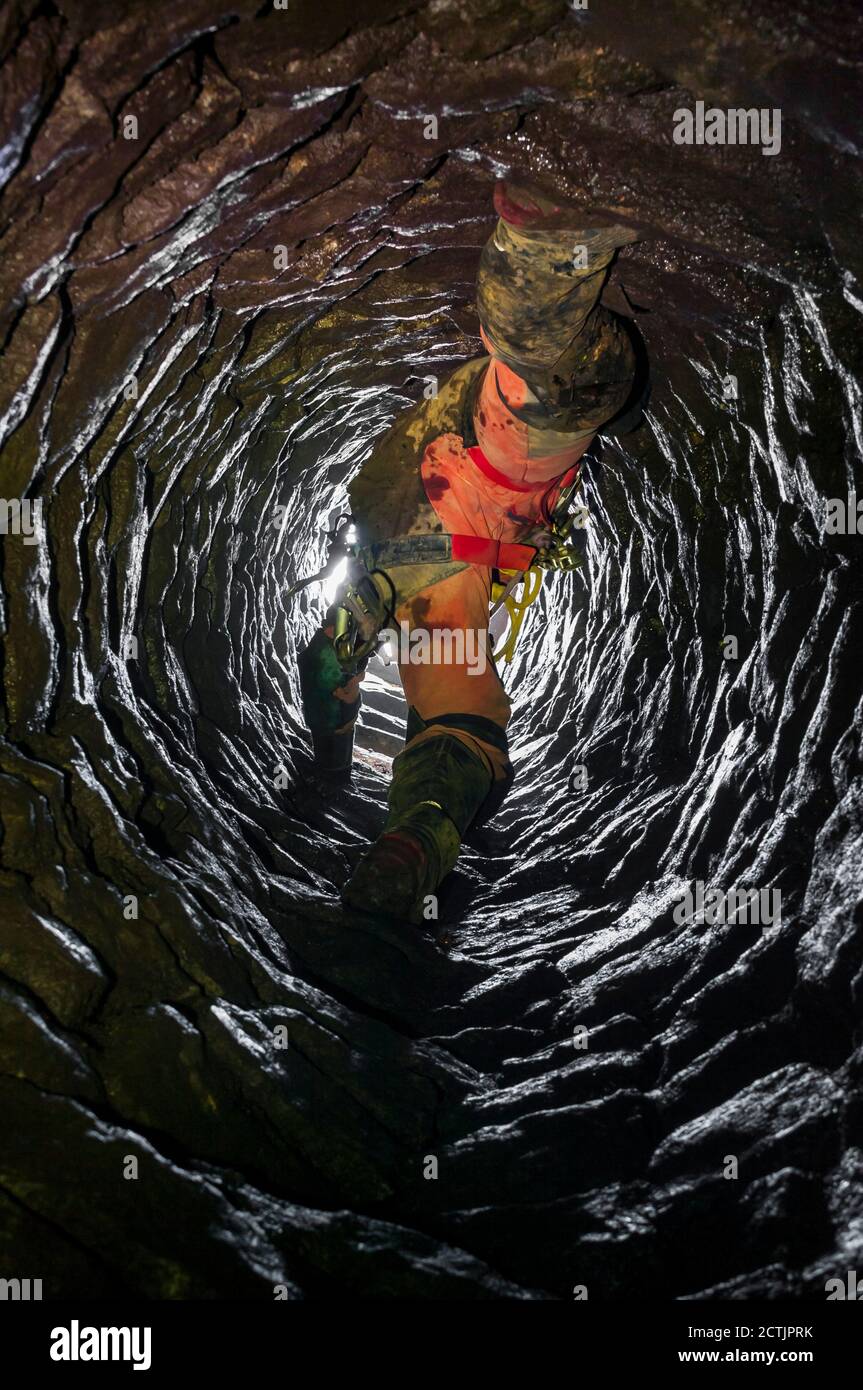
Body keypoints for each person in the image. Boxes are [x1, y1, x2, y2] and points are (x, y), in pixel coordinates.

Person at [297, 180, 645, 924]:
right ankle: (545, 248)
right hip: (449, 467)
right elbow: (328, 663)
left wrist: (349, 792)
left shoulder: (436, 639)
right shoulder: (395, 590)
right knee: (551, 386)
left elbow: (455, 740)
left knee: (568, 381)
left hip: (488, 471)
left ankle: (545, 236)